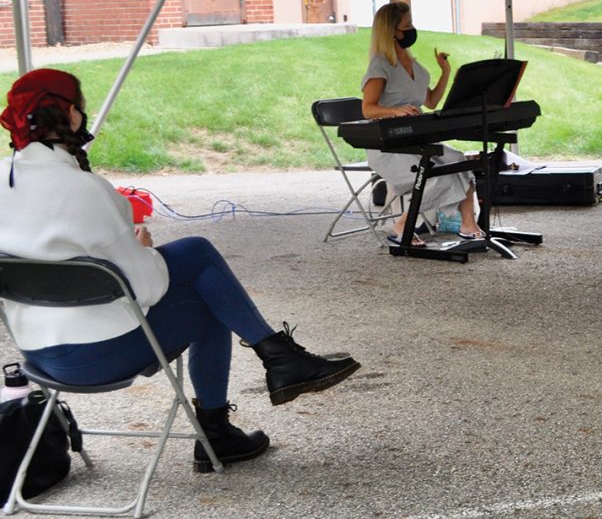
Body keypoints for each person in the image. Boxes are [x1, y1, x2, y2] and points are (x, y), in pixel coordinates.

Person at [0, 69, 361, 473]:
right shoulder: (86, 190)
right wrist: (143, 251)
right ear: (70, 114)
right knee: (210, 294)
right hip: (98, 356)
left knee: (197, 259)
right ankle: (225, 421)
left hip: (37, 355)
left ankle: (275, 363)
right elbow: (145, 288)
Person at [361, 1, 485, 244]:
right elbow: (367, 109)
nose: (412, 30)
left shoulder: (414, 65)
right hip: (389, 147)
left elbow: (430, 101)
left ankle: (468, 225)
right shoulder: (380, 65)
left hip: (416, 139)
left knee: (458, 162)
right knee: (434, 176)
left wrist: (445, 72)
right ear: (391, 31)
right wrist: (395, 111)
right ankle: (402, 225)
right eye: (407, 26)